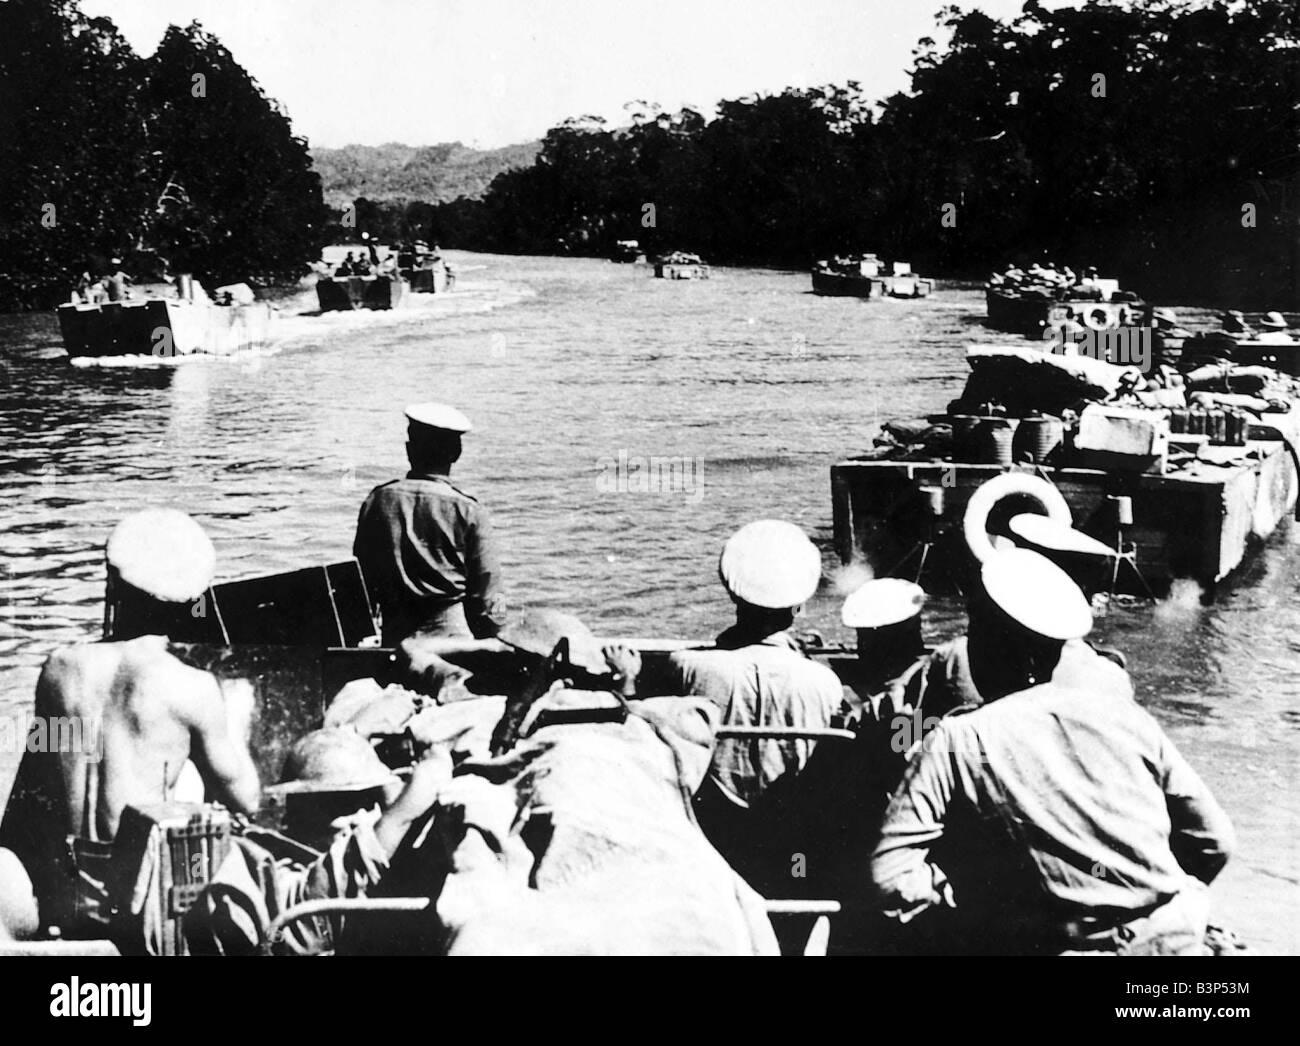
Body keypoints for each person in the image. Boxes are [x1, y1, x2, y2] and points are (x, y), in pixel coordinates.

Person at [870, 548, 1234, 955]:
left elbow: (892, 876)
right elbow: (1214, 842)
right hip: (1174, 941)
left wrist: (966, 897)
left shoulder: (958, 734)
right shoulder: (1124, 711)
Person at [0, 510, 260, 940]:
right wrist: (234, 715)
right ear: (188, 600)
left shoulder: (58, 669)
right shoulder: (190, 687)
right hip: (141, 906)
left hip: (63, 896)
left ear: (115, 585)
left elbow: (31, 790)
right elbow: (246, 800)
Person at [625, 520, 845, 889]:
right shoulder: (823, 683)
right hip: (791, 850)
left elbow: (640, 738)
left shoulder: (685, 667)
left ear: (733, 594)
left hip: (712, 842)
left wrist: (626, 682)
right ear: (799, 607)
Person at [353, 402, 506, 645]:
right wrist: (499, 634)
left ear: (409, 450)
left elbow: (361, 578)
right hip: (452, 641)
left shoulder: (377, 500)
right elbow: (488, 593)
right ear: (456, 453)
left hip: (395, 639)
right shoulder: (468, 510)